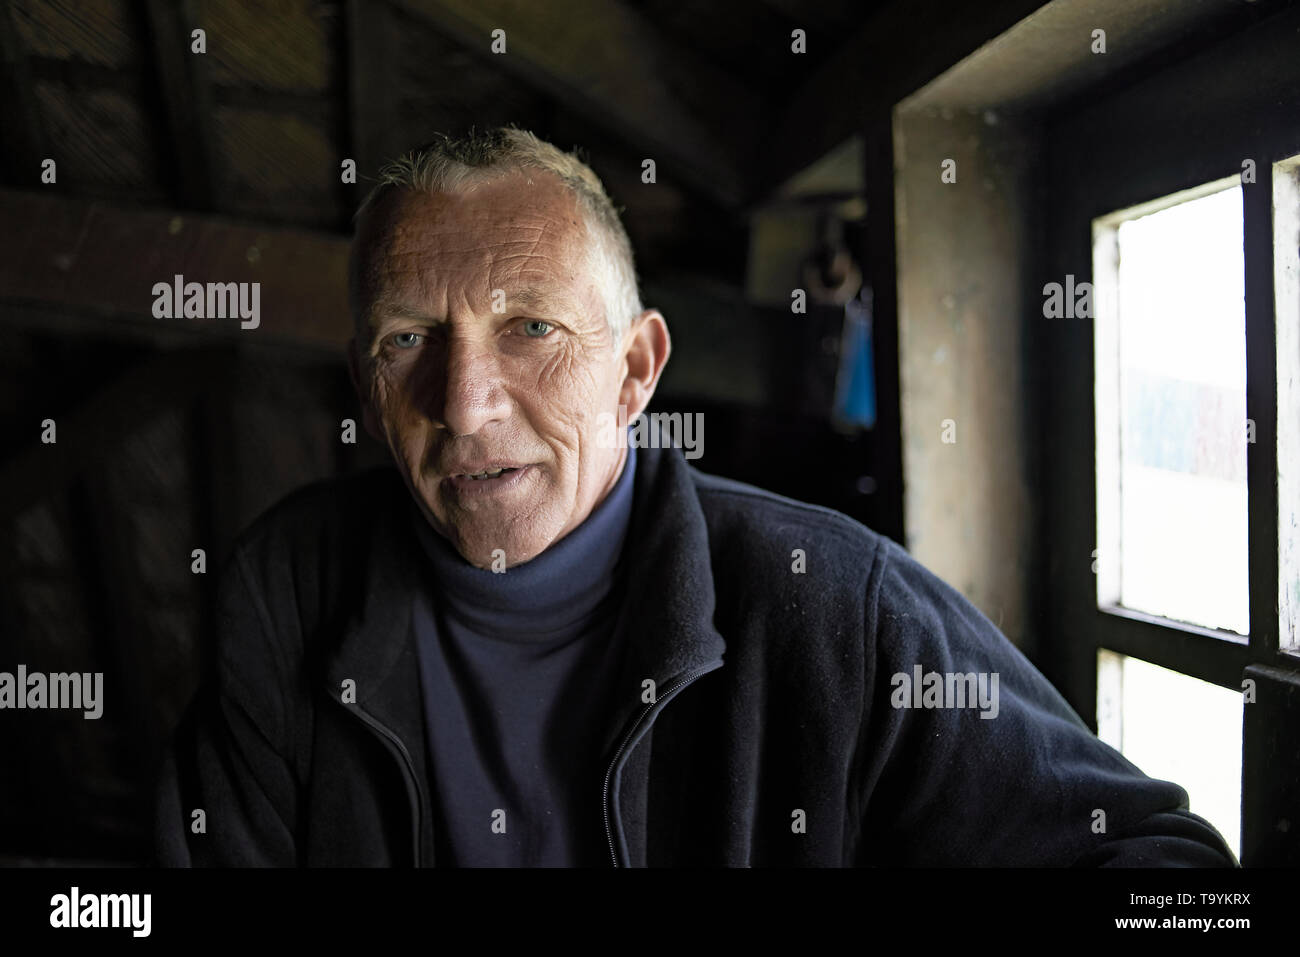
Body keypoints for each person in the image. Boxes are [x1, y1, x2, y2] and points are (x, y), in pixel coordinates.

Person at [154, 127, 1235, 867]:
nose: (469, 401)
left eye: (530, 327)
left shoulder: (833, 606)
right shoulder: (285, 591)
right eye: (407, 342)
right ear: (366, 386)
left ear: (635, 371)